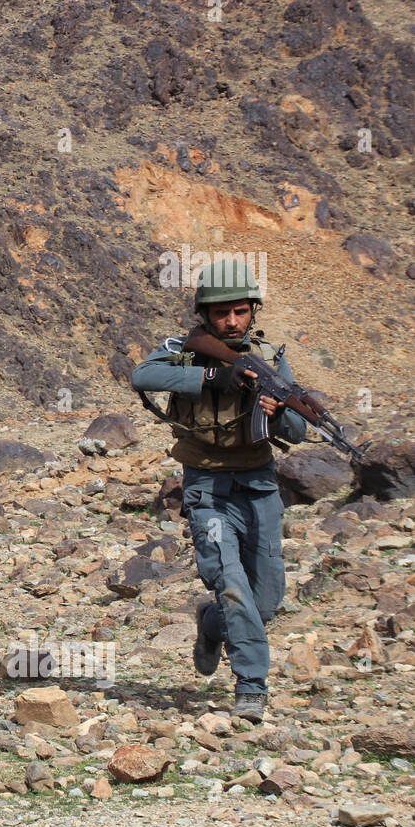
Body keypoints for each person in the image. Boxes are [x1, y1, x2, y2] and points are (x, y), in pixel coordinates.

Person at [131, 260, 306, 723]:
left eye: (241, 312)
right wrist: (211, 378)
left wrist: (278, 409)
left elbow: (299, 429)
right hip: (206, 487)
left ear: (254, 311)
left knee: (264, 601)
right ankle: (252, 685)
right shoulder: (184, 350)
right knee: (231, 585)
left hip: (260, 485)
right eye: (222, 313)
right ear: (205, 315)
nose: (232, 322)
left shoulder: (270, 355)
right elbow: (143, 377)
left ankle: (210, 625)